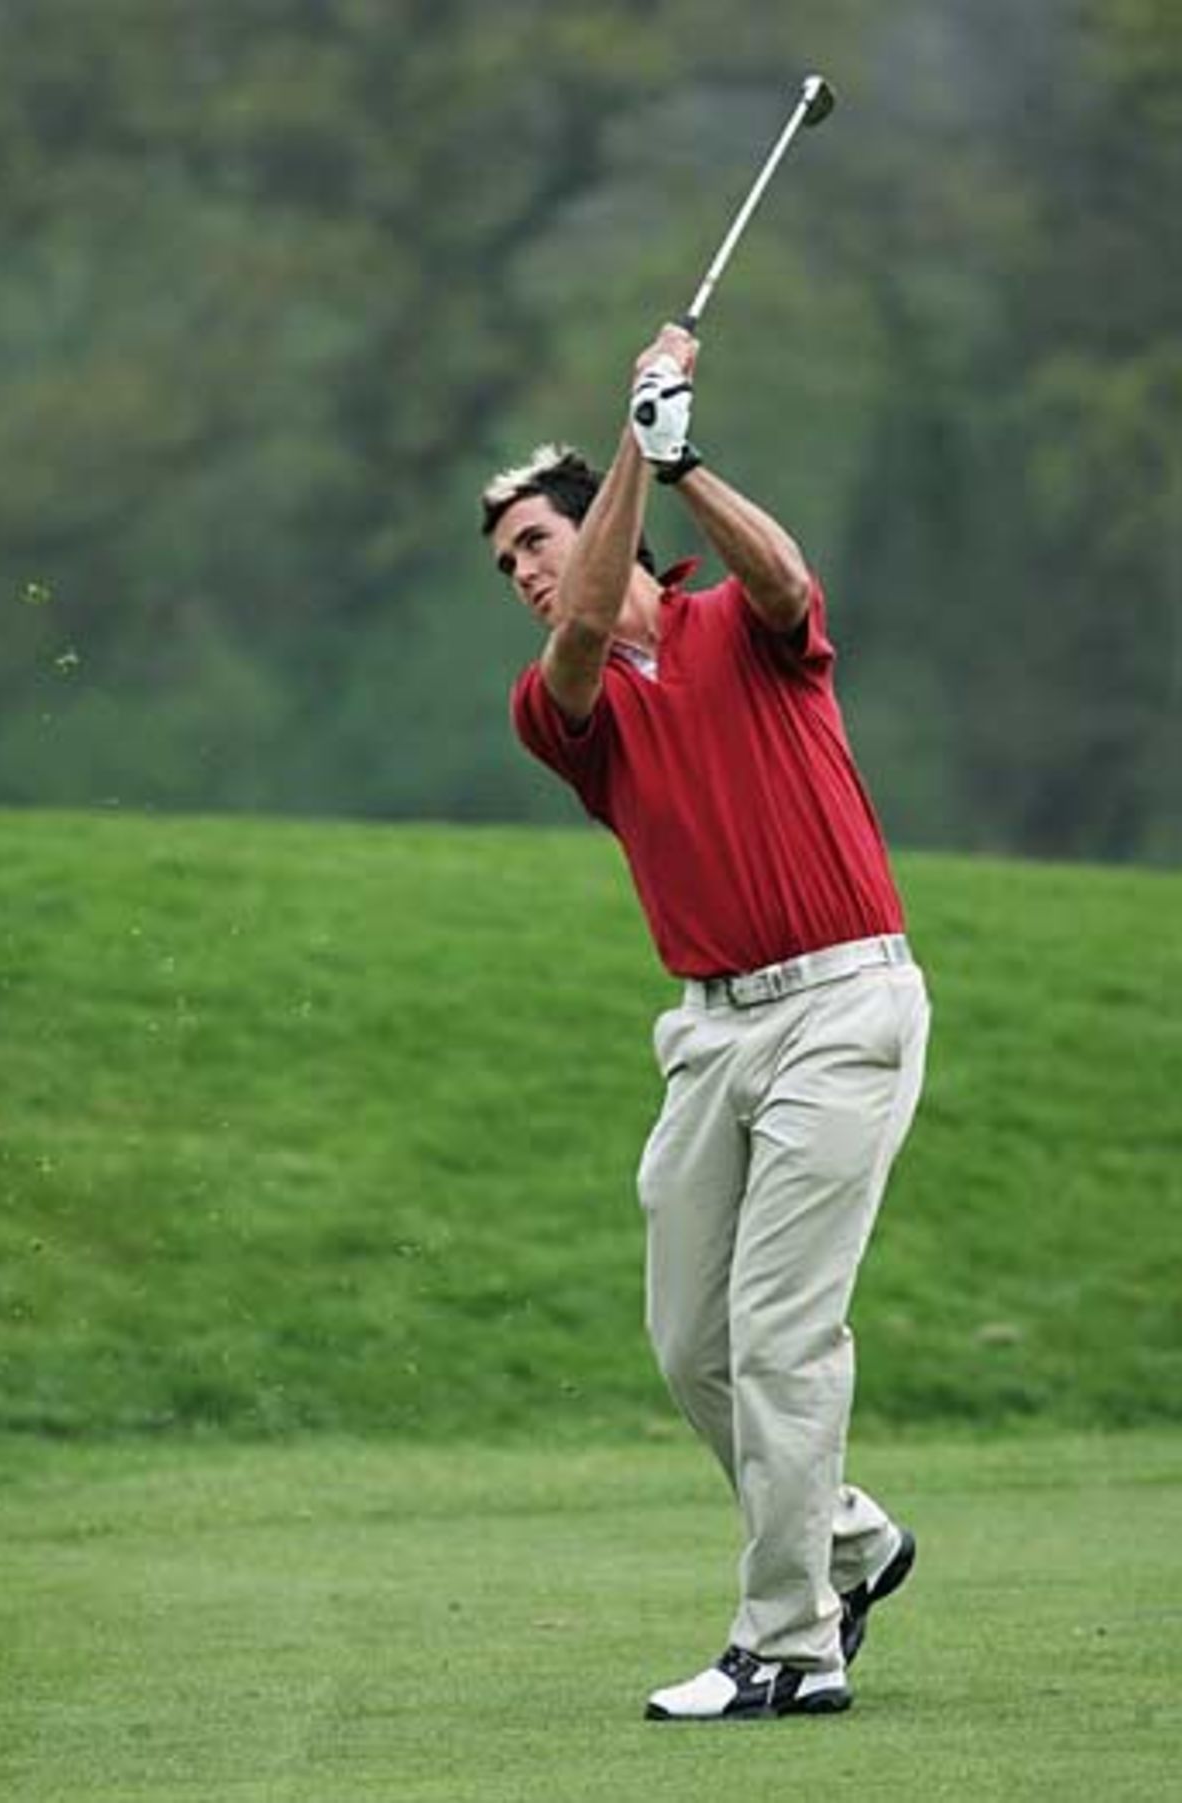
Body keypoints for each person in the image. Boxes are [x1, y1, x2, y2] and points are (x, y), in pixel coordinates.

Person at [480, 323, 931, 1722]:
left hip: (847, 1004)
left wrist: (681, 458)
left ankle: (791, 1644)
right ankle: (854, 1542)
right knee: (693, 1347)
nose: (529, 571)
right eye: (507, 565)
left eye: (536, 541)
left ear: (597, 525)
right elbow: (574, 637)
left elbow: (788, 576)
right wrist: (633, 437)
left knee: (786, 1336)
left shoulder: (749, 630)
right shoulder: (566, 711)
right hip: (711, 1036)